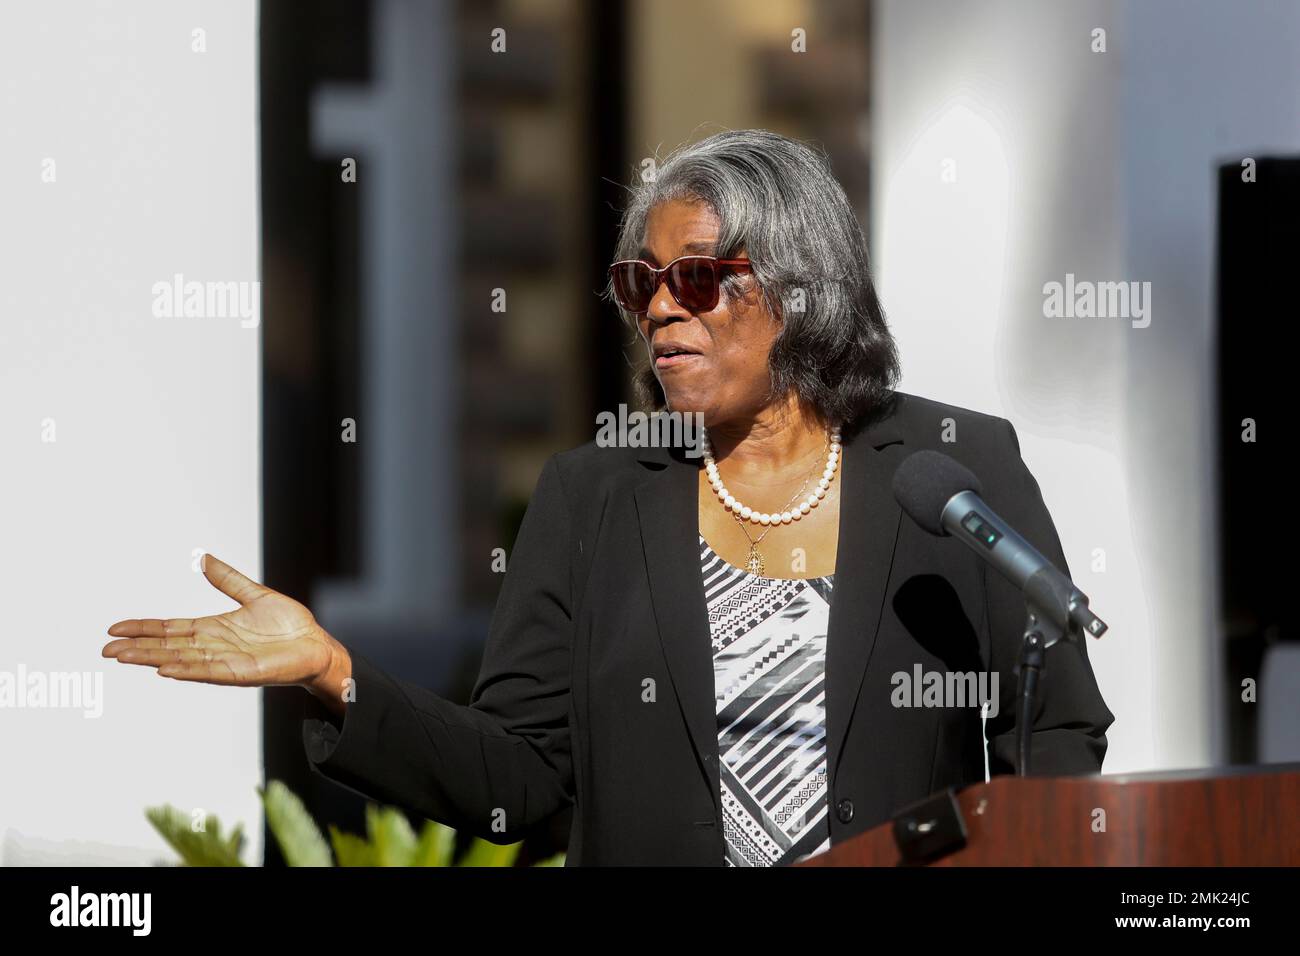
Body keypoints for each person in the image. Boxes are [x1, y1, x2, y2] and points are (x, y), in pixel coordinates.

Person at [103, 128, 1113, 866]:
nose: (661, 307)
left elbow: (1057, 728)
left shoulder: (947, 466)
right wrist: (336, 672)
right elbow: (520, 777)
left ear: (801, 289)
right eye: (641, 284)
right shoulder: (594, 498)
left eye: (699, 278)